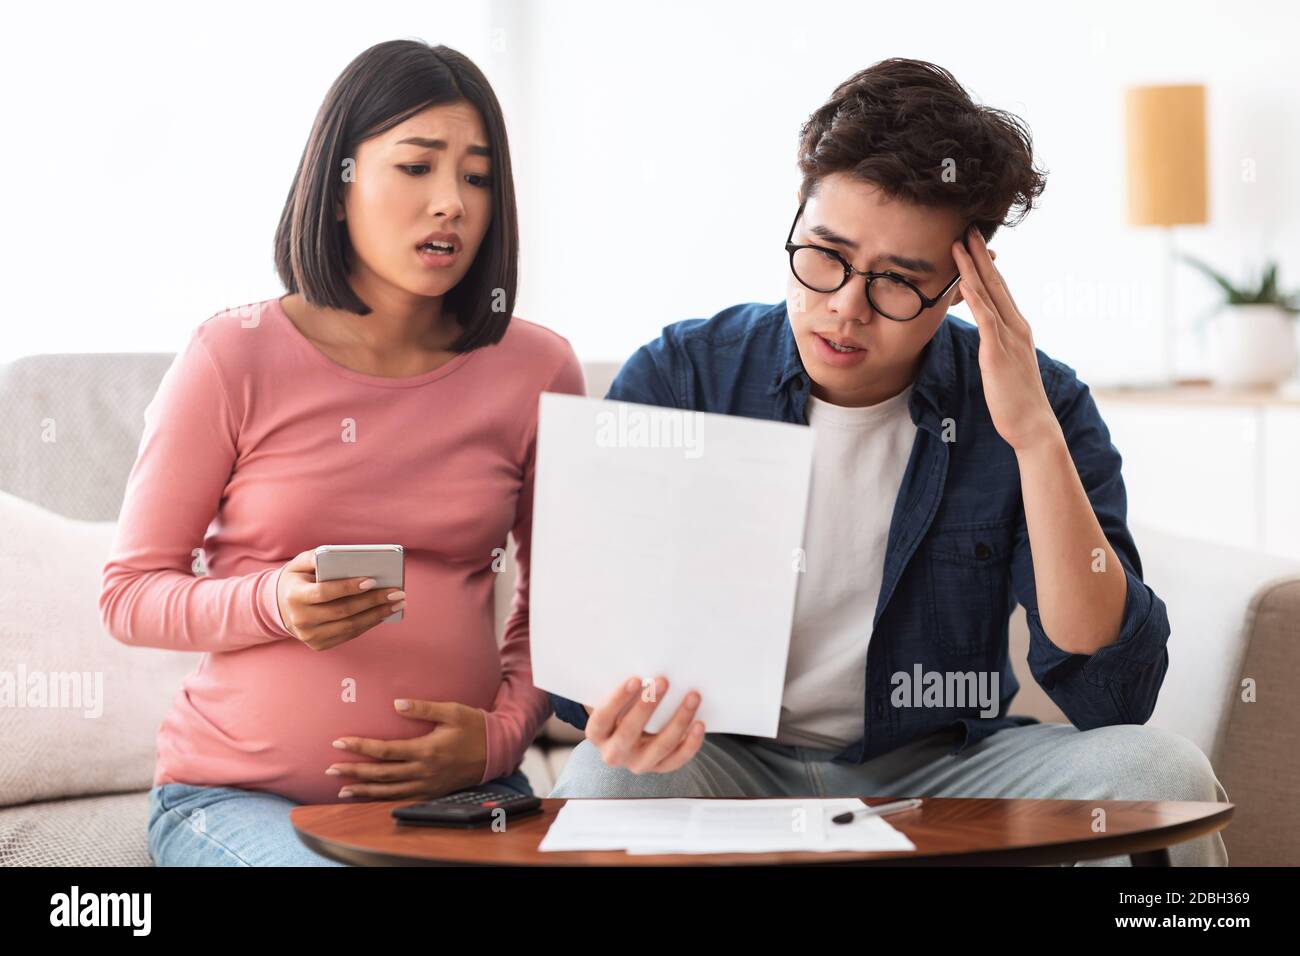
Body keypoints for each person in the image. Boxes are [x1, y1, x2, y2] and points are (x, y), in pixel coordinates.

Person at [547, 58, 1228, 866]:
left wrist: (1033, 439)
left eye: (900, 283)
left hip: (943, 771)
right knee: (600, 780)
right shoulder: (683, 374)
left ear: (961, 288)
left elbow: (1108, 689)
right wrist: (623, 712)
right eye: (825, 255)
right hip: (726, 759)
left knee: (1162, 773)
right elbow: (582, 657)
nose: (846, 307)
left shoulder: (1041, 403)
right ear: (796, 216)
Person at [99, 39, 584, 866]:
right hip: (242, 798)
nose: (451, 205)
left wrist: (501, 739)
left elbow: (565, 608)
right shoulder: (233, 355)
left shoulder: (537, 369)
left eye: (475, 177)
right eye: (417, 167)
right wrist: (272, 604)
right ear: (337, 188)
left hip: (469, 799)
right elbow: (130, 595)